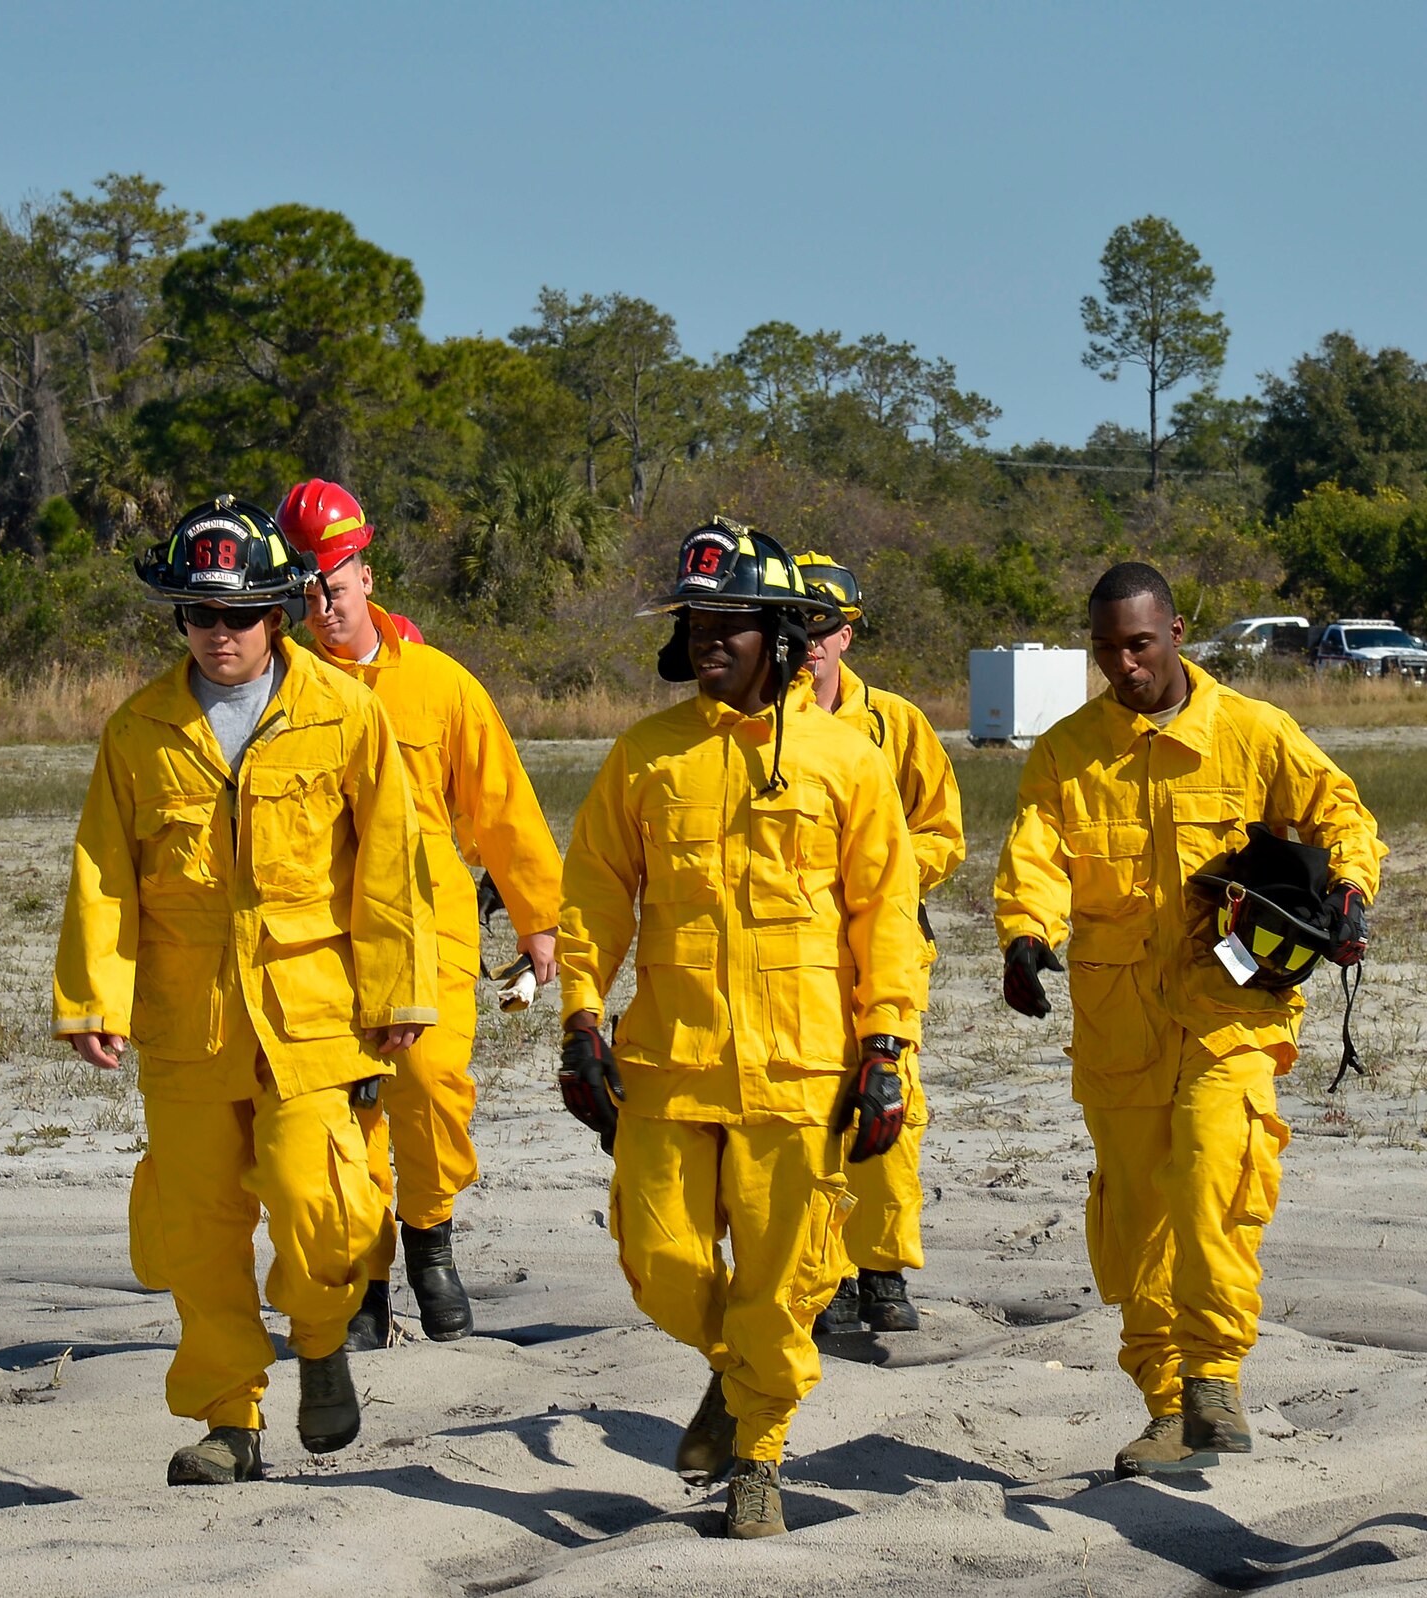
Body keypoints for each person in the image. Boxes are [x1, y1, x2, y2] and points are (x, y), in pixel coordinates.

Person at [53, 495, 437, 1486]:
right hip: (189, 1025)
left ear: (276, 612)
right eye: (197, 613)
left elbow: (389, 863)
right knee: (199, 1232)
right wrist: (93, 998)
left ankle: (321, 1337)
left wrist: (398, 990)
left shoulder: (345, 712)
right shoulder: (138, 731)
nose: (216, 633)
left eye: (235, 614)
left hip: (314, 1018)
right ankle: (228, 1420)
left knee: (320, 1201)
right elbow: (104, 872)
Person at [556, 519, 922, 1538]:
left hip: (801, 1068)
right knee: (661, 1261)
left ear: (779, 635)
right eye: (694, 622)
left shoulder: (846, 760)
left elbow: (884, 914)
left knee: (783, 1278)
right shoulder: (646, 755)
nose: (706, 639)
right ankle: (736, 1364)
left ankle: (757, 1457)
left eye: (728, 623)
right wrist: (580, 1015)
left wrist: (885, 1047)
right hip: (667, 1061)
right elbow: (593, 894)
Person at [994, 562, 1382, 1477]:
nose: (1123, 665)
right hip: (1118, 1028)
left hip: (1231, 1013)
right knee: (1136, 1223)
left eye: (1138, 644)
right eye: (1105, 649)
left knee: (1215, 1174)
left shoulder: (1255, 733)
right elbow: (1036, 857)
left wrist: (1350, 888)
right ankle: (1168, 1408)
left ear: (1173, 632)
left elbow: (1340, 813)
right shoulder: (1068, 752)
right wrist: (1025, 936)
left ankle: (1214, 1372)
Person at [277, 478, 563, 1347]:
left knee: (433, 1086)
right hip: (323, 928)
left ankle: (429, 1238)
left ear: (365, 574)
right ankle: (366, 1281)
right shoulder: (281, 687)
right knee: (349, 1109)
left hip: (432, 918)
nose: (322, 608)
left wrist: (538, 919)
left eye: (335, 586)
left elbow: (501, 804)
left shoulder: (440, 683)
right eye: (306, 594)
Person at [794, 551, 965, 1336]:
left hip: (888, 949)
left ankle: (883, 1272)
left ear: (847, 634)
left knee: (891, 1109)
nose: (807, 645)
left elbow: (943, 833)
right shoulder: (760, 728)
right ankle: (824, 1273)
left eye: (821, 628)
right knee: (810, 1115)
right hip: (796, 955)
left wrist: (883, 873)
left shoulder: (896, 725)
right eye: (792, 627)